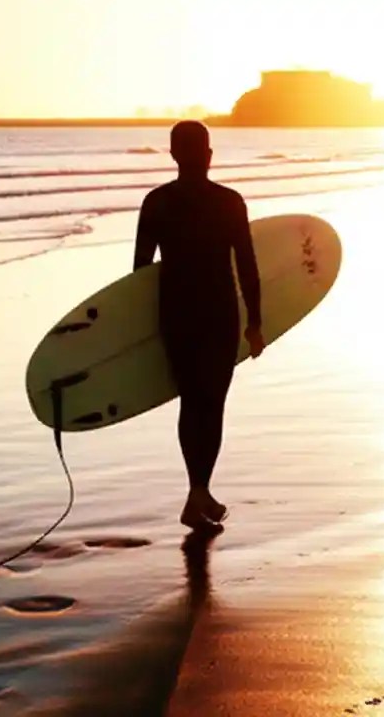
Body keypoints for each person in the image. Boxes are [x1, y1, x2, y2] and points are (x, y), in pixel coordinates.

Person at [133, 121, 265, 530]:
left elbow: (139, 274)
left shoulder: (156, 202)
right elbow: (247, 265)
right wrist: (255, 323)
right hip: (219, 315)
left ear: (173, 154)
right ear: (209, 155)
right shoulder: (229, 201)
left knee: (193, 403)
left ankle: (199, 492)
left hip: (177, 315)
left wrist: (142, 334)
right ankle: (198, 492)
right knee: (212, 405)